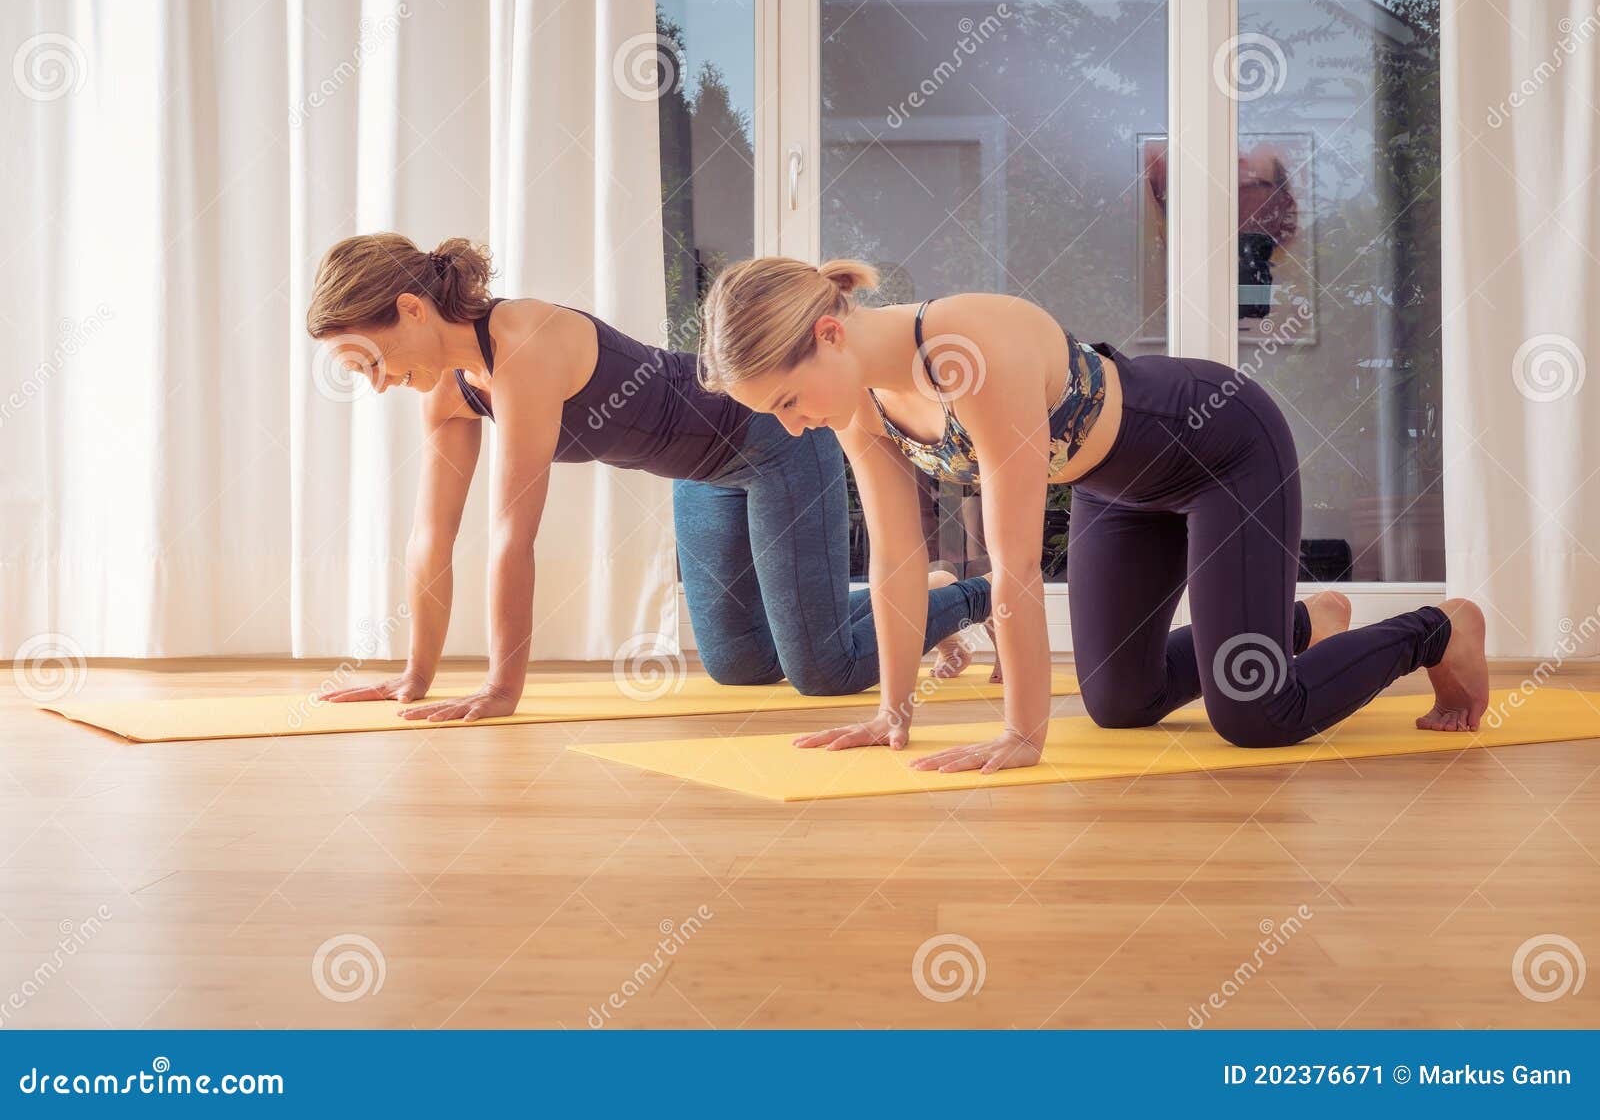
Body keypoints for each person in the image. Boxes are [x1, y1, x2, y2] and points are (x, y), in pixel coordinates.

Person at [695, 256, 1489, 773]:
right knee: (1118, 700)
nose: (794, 424)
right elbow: (897, 561)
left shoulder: (965, 350)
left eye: (788, 402)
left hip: (1222, 451)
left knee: (1252, 713)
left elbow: (1013, 568)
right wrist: (890, 710)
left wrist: (1022, 735)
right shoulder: (858, 400)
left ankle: (1437, 629)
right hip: (1118, 488)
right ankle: (1307, 622)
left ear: (829, 335)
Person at [302, 234, 992, 719]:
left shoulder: (523, 344)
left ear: (412, 310)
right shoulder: (449, 393)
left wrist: (501, 687)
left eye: (369, 361)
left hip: (770, 440)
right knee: (742, 663)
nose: (375, 383)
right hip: (699, 476)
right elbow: (432, 539)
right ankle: (914, 593)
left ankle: (973, 596)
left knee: (823, 670)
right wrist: (415, 676)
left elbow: (512, 536)